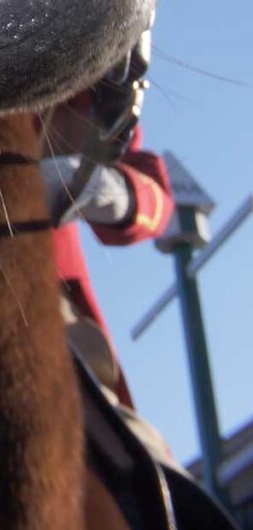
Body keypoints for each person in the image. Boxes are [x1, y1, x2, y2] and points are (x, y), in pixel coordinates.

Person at [39, 98, 175, 408]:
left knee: (131, 444)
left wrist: (109, 190)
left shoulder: (74, 90)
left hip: (40, 289)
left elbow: (155, 200)